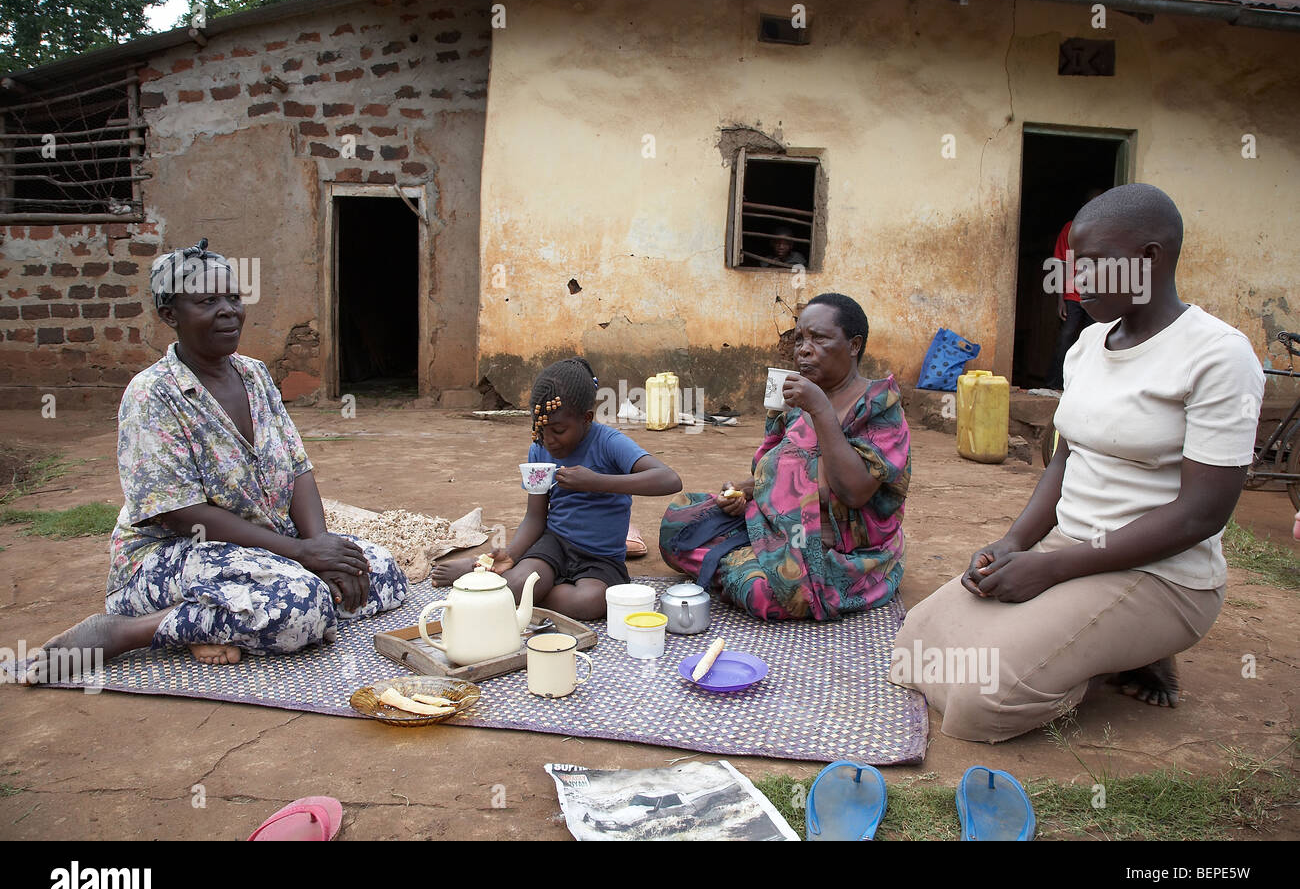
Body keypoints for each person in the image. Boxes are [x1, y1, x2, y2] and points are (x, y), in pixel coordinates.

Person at [893, 185, 1265, 742]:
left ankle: (1119, 656)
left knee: (979, 701)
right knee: (913, 651)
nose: (1078, 283)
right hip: (1067, 551)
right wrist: (1016, 543)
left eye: (1094, 266)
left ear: (1149, 258)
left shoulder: (1218, 355)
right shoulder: (1087, 345)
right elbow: (1063, 463)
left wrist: (1052, 570)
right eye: (1073, 266)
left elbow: (1200, 515)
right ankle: (1095, 644)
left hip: (1161, 575)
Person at [24, 240, 407, 682]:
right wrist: (301, 552)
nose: (228, 311)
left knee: (379, 570)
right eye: (207, 301)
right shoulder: (153, 394)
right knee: (301, 606)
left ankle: (220, 619)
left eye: (233, 298)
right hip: (171, 554)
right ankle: (126, 631)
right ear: (171, 316)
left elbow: (298, 468)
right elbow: (180, 513)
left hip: (262, 544)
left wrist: (321, 548)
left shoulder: (255, 374)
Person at [659, 293, 910, 620]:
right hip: (775, 526)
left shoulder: (879, 408)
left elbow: (853, 491)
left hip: (840, 551)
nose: (804, 349)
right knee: (679, 524)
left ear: (854, 345)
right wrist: (744, 491)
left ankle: (750, 568)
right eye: (799, 340)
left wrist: (820, 407)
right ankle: (750, 561)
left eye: (819, 338)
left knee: (765, 593)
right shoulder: (792, 402)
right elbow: (776, 473)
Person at [432, 357, 681, 620]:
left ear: (586, 418)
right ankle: (487, 571)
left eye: (559, 430)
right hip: (554, 544)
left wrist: (596, 482)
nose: (549, 441)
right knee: (521, 581)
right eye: (540, 431)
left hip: (600, 557)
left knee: (590, 602)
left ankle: (523, 593)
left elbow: (668, 479)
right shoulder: (539, 450)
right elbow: (535, 516)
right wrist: (512, 555)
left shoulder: (609, 443)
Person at [1048, 188, 1106, 389]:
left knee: (1096, 339)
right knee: (1067, 336)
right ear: (1084, 207)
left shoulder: (1110, 231)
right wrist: (1060, 298)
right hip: (1073, 293)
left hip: (1099, 294)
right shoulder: (1070, 229)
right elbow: (1062, 262)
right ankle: (1054, 384)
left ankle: (1088, 386)